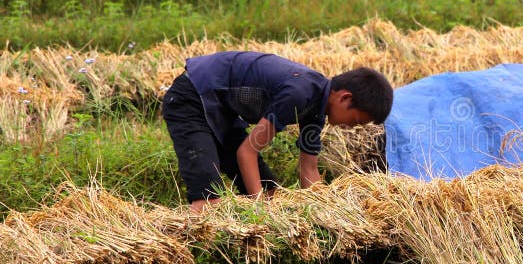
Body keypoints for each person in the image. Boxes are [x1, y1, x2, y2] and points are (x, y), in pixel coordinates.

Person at [162, 51, 393, 211]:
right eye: (356, 121)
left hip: (221, 112)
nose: (351, 127)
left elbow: (309, 169)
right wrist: (261, 211)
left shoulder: (316, 112)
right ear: (345, 98)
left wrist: (328, 209)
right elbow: (247, 152)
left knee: (272, 193)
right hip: (191, 97)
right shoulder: (299, 93)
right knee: (208, 200)